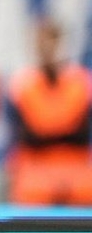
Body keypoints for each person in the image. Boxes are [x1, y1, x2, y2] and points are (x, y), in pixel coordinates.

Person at [5, 15, 92, 204]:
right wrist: (61, 131)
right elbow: (26, 137)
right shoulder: (21, 85)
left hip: (76, 172)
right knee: (30, 191)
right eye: (41, 42)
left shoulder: (81, 83)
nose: (46, 48)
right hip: (34, 174)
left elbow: (82, 136)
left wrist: (49, 131)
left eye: (52, 41)